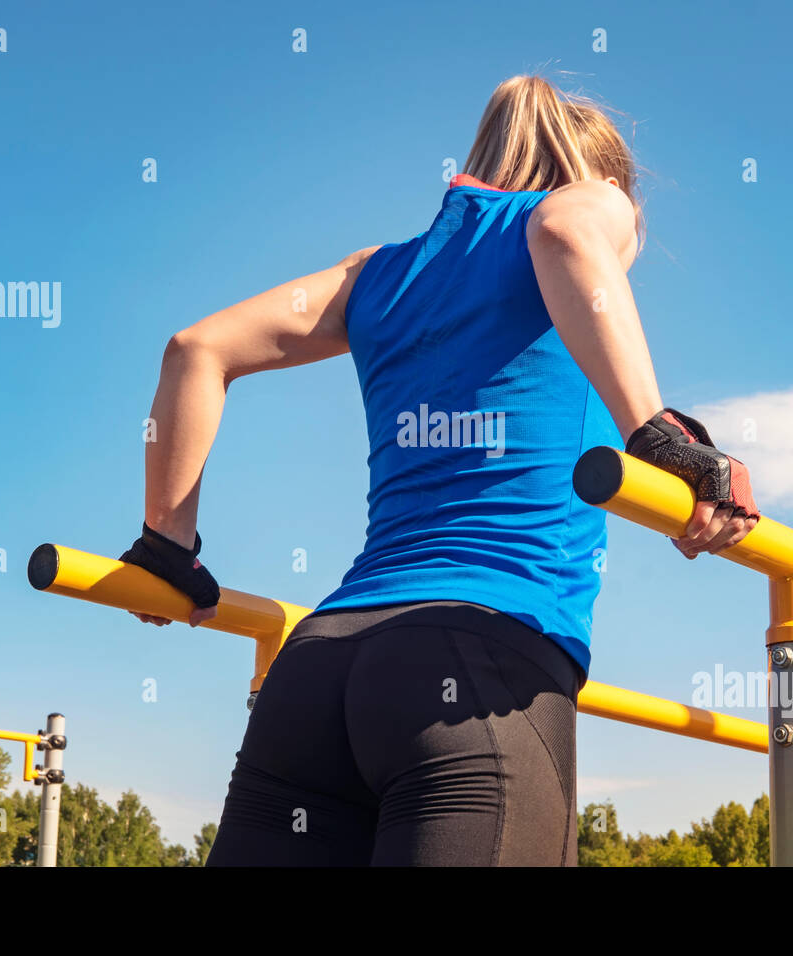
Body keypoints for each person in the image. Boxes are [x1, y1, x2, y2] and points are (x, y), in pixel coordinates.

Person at [117, 75, 759, 866]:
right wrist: (658, 437)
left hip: (315, 672)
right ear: (596, 178)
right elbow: (562, 230)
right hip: (479, 666)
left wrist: (166, 546)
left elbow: (196, 351)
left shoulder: (374, 274)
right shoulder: (582, 205)